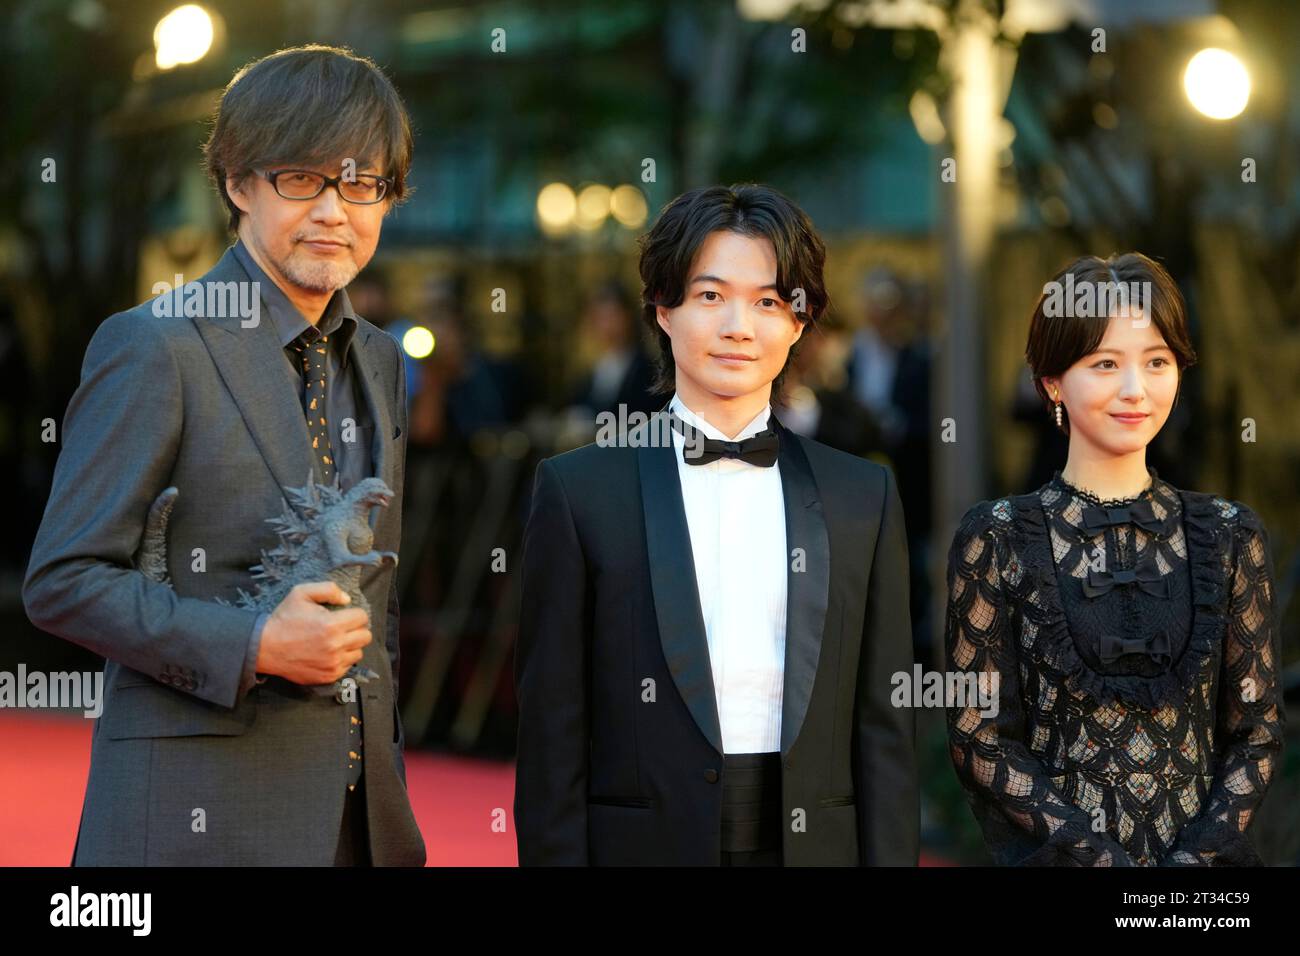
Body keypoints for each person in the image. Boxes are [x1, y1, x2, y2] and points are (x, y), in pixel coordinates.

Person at [22, 45, 425, 866]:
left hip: (362, 826)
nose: (334, 212)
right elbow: (63, 581)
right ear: (239, 184)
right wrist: (250, 646)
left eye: (362, 183)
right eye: (301, 179)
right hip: (193, 822)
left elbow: (372, 605)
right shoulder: (155, 345)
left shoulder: (379, 359)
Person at [514, 183, 919, 866]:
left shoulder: (862, 497)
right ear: (663, 309)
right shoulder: (581, 492)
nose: (739, 325)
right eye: (710, 296)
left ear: (799, 323)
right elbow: (552, 734)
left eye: (768, 301)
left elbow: (884, 731)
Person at [944, 252, 1284, 866]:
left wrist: (1191, 865)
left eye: (1157, 362)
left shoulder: (1232, 536)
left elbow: (1256, 732)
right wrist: (1097, 860)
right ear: (1052, 383)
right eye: (1105, 364)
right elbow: (979, 736)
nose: (1136, 390)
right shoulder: (996, 537)